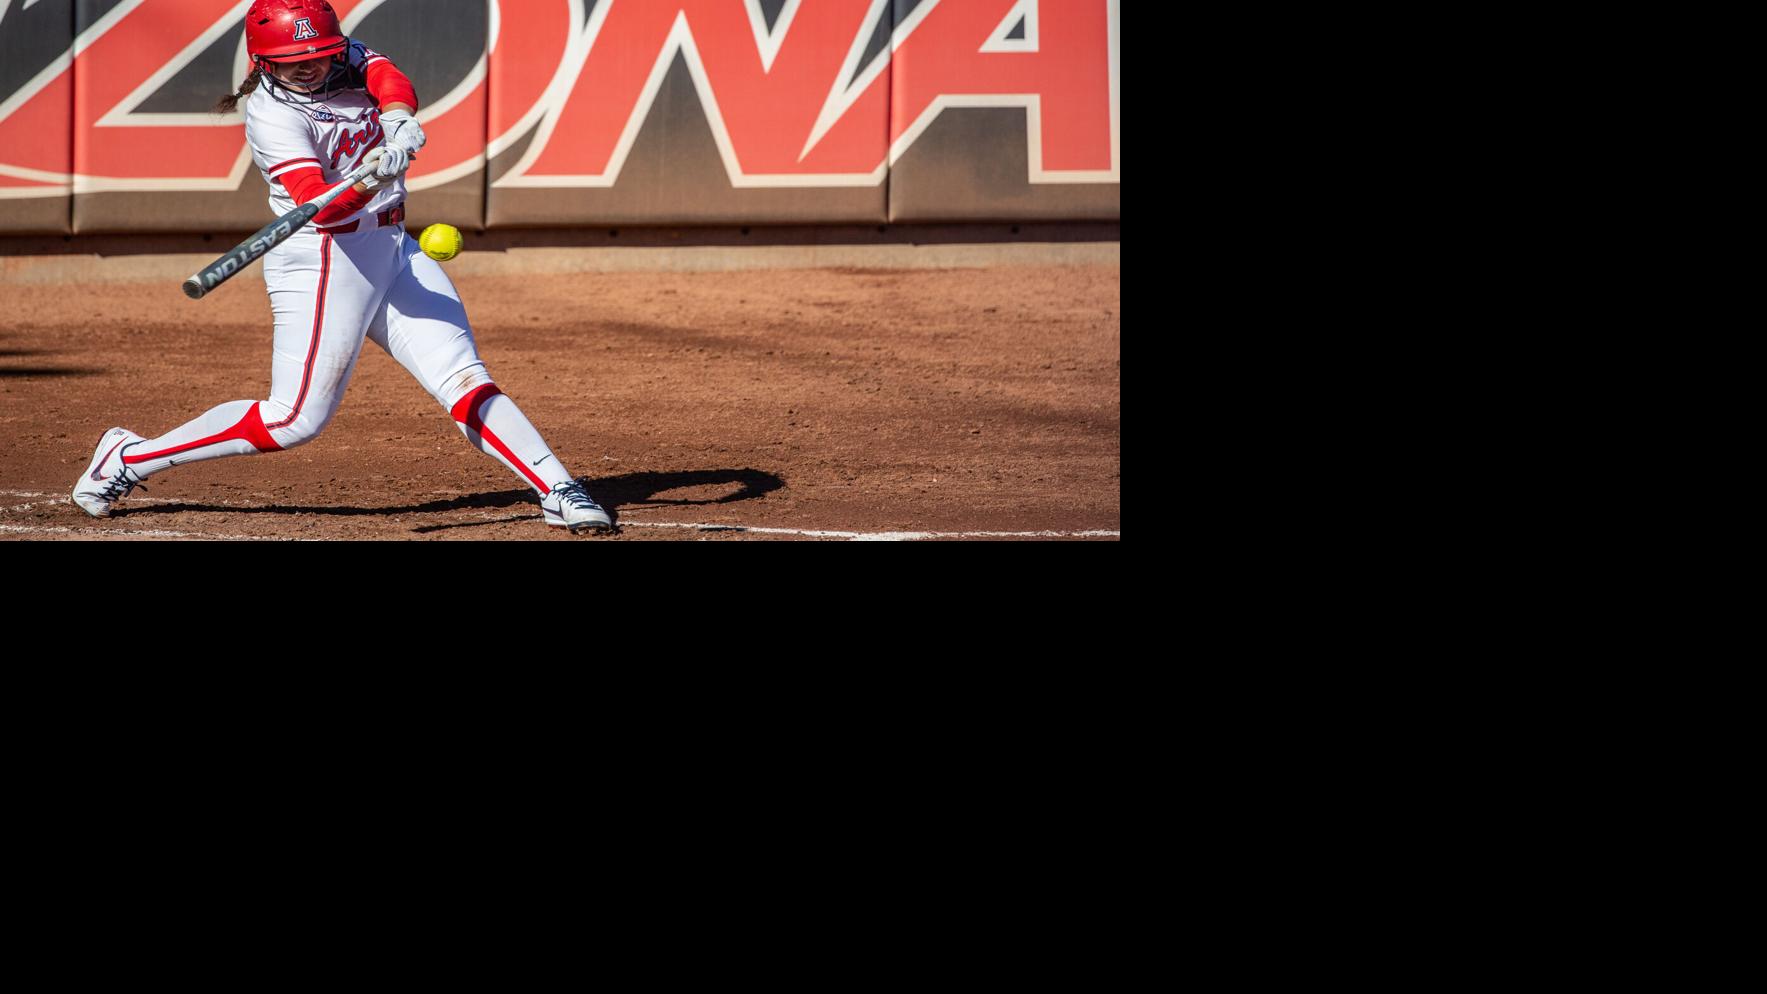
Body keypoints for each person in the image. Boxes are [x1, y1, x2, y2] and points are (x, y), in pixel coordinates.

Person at [71, 0, 612, 534]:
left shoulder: (343, 56)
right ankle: (128, 457)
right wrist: (371, 177)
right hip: (324, 258)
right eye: (293, 59)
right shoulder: (272, 114)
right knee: (293, 420)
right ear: (263, 60)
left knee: (464, 378)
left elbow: (386, 74)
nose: (310, 65)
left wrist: (398, 120)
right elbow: (323, 207)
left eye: (319, 54)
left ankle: (557, 488)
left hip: (393, 246)